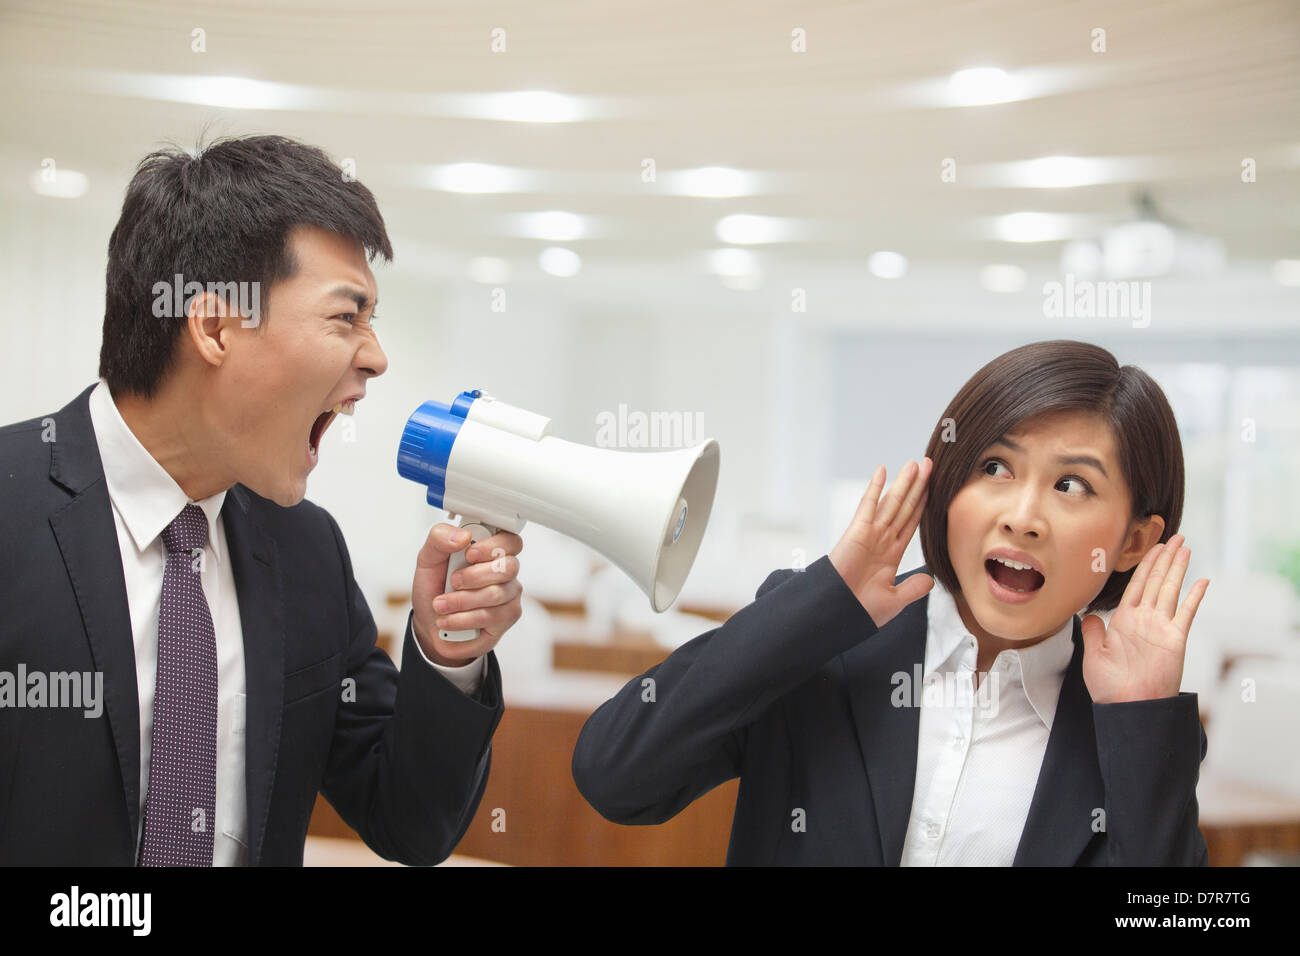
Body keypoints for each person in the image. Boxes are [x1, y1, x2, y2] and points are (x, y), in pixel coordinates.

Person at [0, 135, 524, 866]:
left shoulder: (305, 549)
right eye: (347, 316)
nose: (375, 357)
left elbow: (411, 822)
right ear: (215, 326)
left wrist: (448, 654)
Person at [572, 339, 1211, 865]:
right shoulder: (820, 644)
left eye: (1072, 485)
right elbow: (615, 776)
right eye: (994, 468)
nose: (1023, 517)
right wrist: (821, 602)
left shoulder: (1124, 728)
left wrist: (1142, 726)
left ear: (1132, 542)